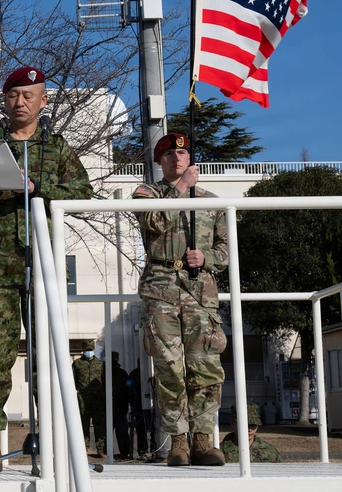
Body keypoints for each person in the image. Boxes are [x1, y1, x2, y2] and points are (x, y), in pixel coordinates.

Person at [0, 67, 92, 472]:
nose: (20, 102)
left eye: (29, 95)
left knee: (49, 353)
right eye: (13, 95)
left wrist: (38, 189)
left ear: (43, 101)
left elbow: (83, 192)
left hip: (43, 264)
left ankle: (60, 439)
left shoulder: (57, 148)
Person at [133, 132, 228, 467]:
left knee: (205, 367)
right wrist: (182, 188)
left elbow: (225, 250)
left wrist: (207, 259)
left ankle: (202, 440)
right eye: (169, 155)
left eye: (183, 153)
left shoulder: (211, 201)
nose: (177, 159)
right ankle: (178, 443)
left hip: (200, 291)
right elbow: (154, 221)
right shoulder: (147, 193)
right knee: (169, 369)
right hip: (160, 289)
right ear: (159, 161)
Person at [73, 340, 107, 457]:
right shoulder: (77, 363)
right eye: (86, 350)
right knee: (83, 424)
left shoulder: (100, 363)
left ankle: (100, 449)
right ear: (83, 350)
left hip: (97, 399)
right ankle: (84, 448)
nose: (88, 352)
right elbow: (73, 380)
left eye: (90, 350)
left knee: (99, 424)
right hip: (83, 398)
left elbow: (104, 380)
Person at [111, 351, 132, 459]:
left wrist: (127, 402)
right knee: (106, 431)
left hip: (120, 406)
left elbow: (128, 389)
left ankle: (124, 452)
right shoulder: (104, 372)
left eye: (115, 358)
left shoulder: (122, 373)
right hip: (107, 406)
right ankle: (107, 452)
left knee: (122, 431)